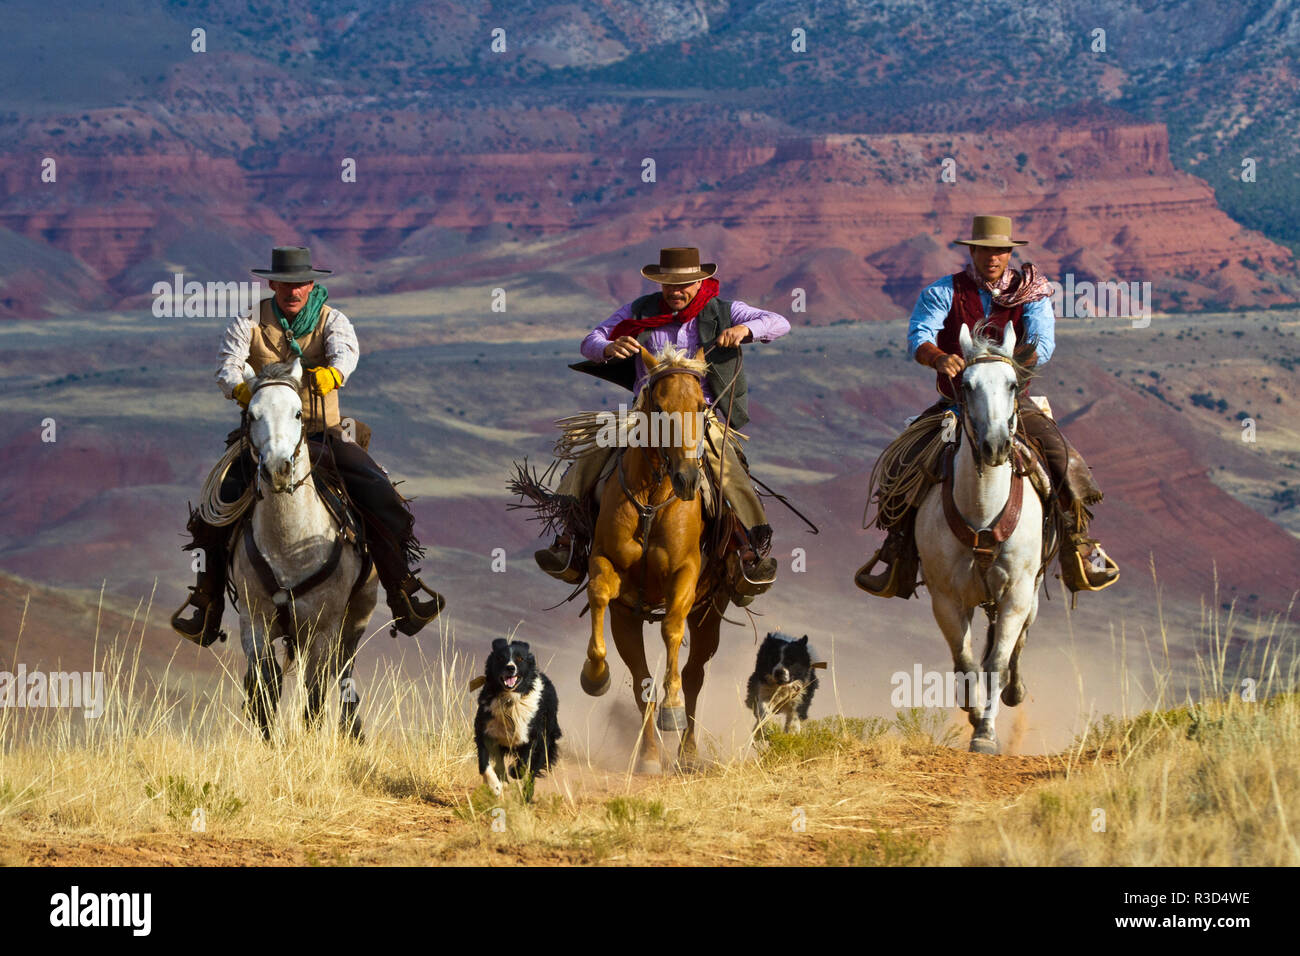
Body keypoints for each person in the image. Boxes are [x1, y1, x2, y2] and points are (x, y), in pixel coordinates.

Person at [170, 246, 444, 645]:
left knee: (381, 496)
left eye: (300, 283)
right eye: (286, 283)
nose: (293, 290)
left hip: (321, 435)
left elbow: (346, 354)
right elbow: (227, 365)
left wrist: (333, 374)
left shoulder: (334, 320)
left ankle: (403, 591)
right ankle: (207, 603)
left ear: (311, 284)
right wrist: (244, 391)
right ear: (272, 283)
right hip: (263, 437)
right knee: (216, 508)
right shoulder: (249, 320)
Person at [855, 215, 1120, 599]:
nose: (992, 257)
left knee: (1064, 458)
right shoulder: (943, 291)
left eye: (999, 250)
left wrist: (1005, 369)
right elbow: (920, 335)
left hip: (1012, 401)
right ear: (972, 251)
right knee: (902, 463)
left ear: (1010, 253)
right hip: (956, 403)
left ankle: (1077, 545)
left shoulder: (1031, 292)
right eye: (983, 249)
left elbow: (1043, 344)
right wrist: (938, 359)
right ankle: (897, 553)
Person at [533, 246, 790, 603]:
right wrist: (609, 347)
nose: (676, 291)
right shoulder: (639, 311)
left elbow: (780, 322)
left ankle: (746, 550)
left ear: (701, 281)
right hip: (646, 416)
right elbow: (590, 341)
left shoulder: (725, 310)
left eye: (684, 284)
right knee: (591, 456)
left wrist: (745, 329)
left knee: (727, 469)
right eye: (668, 285)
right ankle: (571, 542)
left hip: (701, 416)